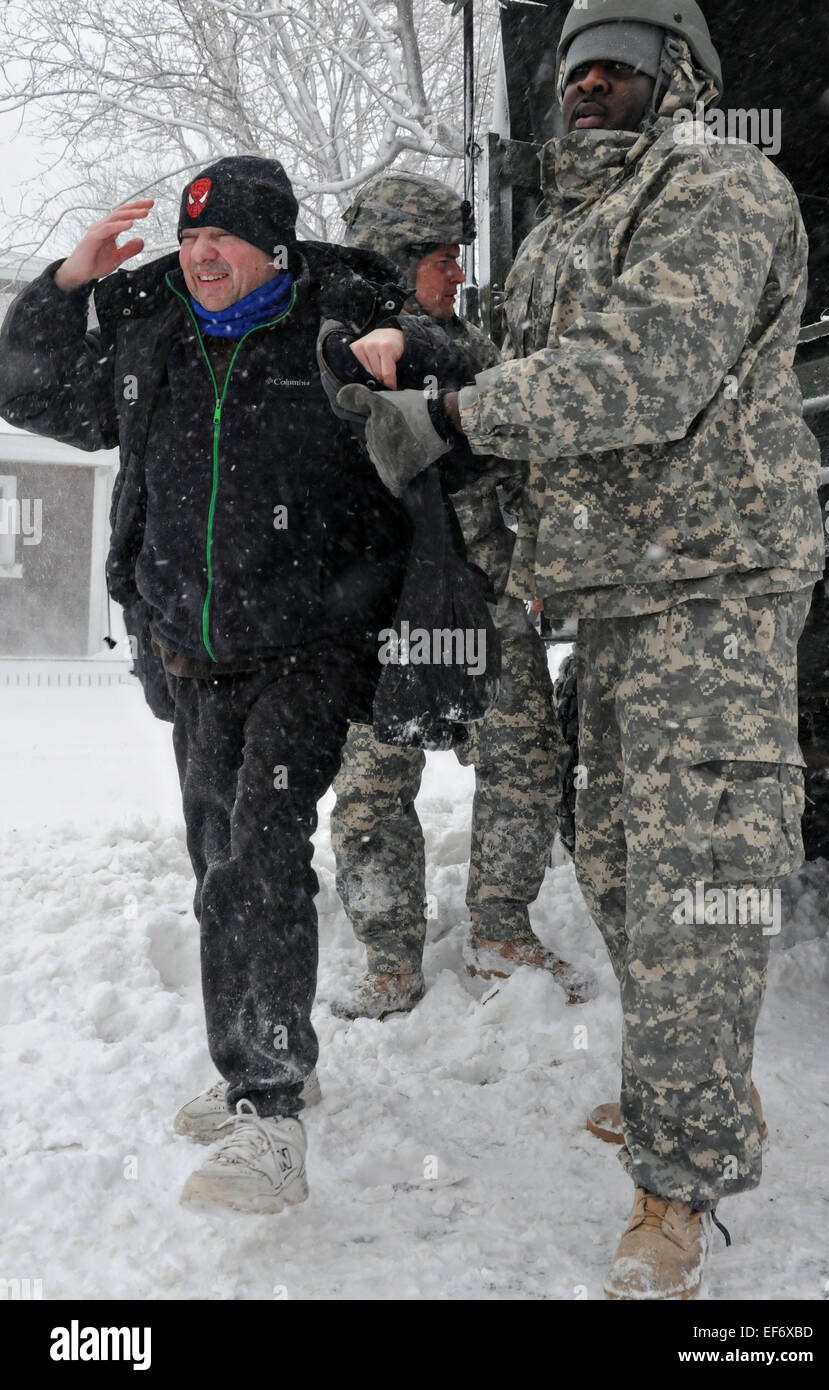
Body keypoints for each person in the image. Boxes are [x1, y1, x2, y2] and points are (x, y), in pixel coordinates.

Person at [340, 0, 824, 1298]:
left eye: (616, 63)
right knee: (611, 856)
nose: (586, 84)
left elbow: (641, 372)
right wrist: (419, 377)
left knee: (692, 881)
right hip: (614, 596)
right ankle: (697, 1089)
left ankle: (678, 1184)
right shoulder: (562, 232)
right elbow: (520, 389)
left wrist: (449, 413)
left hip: (714, 588)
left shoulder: (715, 184)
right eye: (573, 68)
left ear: (680, 74)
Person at [0, 155, 415, 1214]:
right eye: (187, 239)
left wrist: (403, 354)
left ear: (272, 248)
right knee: (218, 862)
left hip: (309, 647)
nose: (198, 256)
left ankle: (267, 1106)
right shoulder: (155, 341)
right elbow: (30, 392)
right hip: (190, 650)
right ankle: (262, 1058)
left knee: (261, 854)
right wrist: (65, 285)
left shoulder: (333, 329)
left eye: (220, 237)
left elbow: (453, 377)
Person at [326, 172, 581, 1021]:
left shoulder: (469, 350)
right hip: (380, 606)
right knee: (372, 782)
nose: (458, 273)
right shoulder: (331, 350)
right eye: (441, 258)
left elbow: (518, 446)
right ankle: (389, 956)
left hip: (483, 597)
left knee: (525, 755)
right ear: (395, 261)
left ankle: (501, 930)